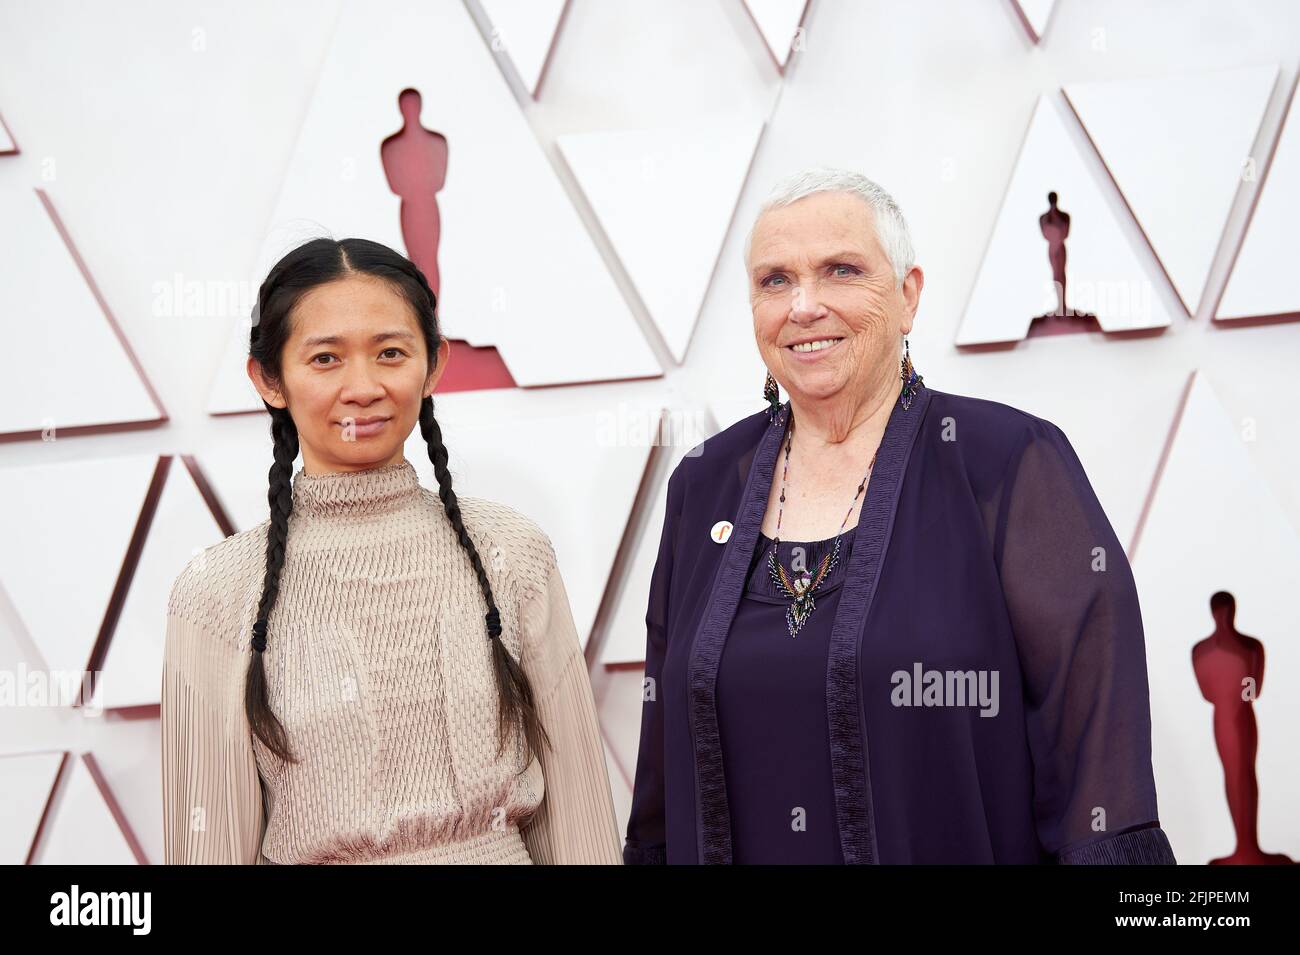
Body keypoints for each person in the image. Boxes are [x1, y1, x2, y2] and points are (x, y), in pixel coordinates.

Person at [622, 168, 1176, 865]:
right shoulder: (703, 486)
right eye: (774, 280)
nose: (804, 305)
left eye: (841, 270)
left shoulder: (1009, 465)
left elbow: (1097, 768)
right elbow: (661, 785)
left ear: (908, 296)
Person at [161, 237, 621, 864]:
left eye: (391, 353)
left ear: (433, 365)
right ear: (269, 379)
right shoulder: (217, 592)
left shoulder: (511, 553)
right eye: (325, 359)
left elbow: (579, 819)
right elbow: (207, 845)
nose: (363, 387)